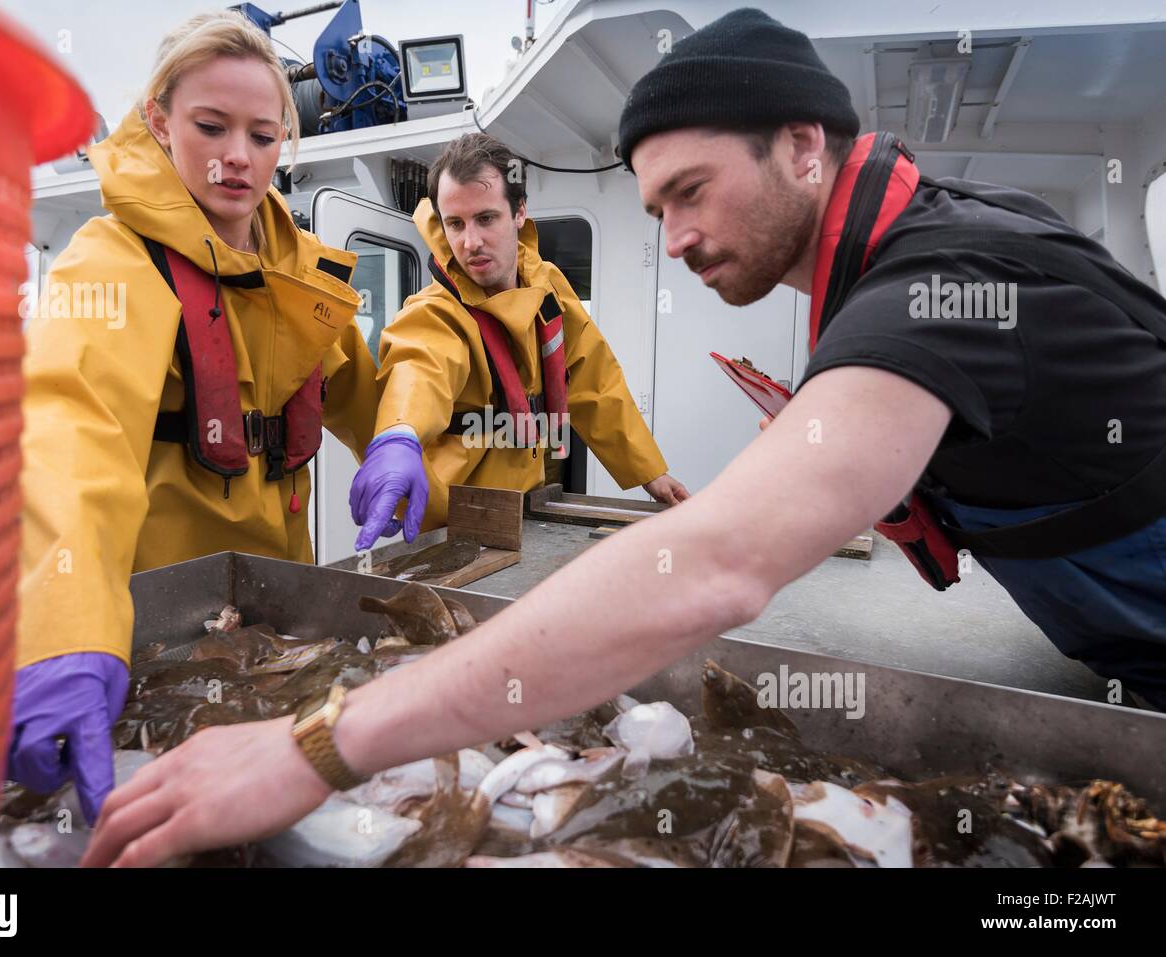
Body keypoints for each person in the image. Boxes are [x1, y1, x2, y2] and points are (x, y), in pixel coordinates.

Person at [82, 7, 1166, 866]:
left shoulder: (937, 288)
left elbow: (713, 561)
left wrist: (314, 745)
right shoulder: (951, 235)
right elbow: (415, 372)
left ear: (802, 146)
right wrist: (402, 439)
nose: (677, 237)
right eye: (654, 213)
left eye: (691, 192)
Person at [10, 11, 378, 824]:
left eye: (263, 134)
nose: (237, 155)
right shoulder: (109, 262)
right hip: (151, 643)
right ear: (158, 120)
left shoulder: (306, 277)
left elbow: (373, 397)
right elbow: (67, 437)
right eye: (211, 127)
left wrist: (399, 442)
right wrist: (64, 629)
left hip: (279, 629)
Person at [348, 134, 687, 551]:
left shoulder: (549, 288)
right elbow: (419, 368)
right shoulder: (435, 311)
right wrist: (399, 435)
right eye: (455, 224)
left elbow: (595, 381)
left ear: (520, 211)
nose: (470, 242)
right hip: (453, 525)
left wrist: (650, 472)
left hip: (527, 510)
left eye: (486, 218)